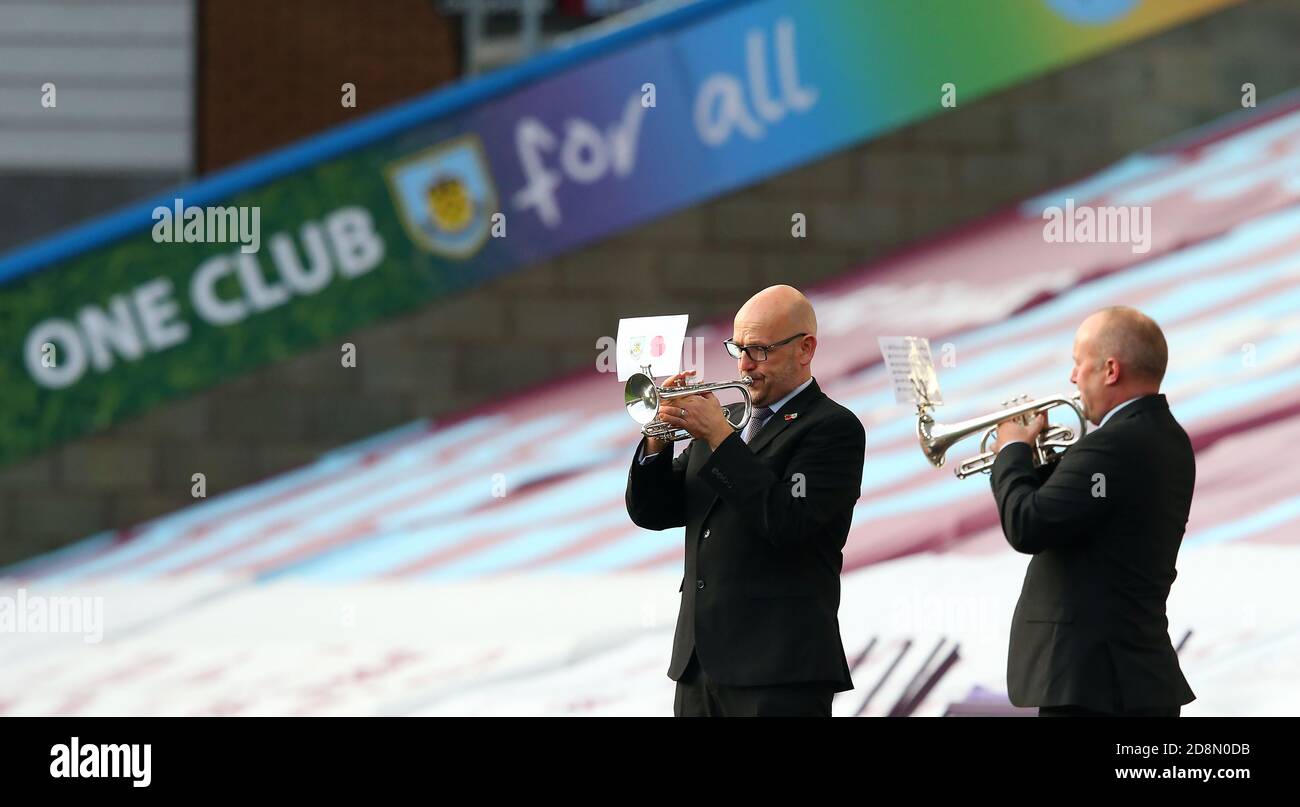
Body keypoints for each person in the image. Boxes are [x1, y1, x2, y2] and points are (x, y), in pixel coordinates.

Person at [625, 285, 865, 717]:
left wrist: (718, 438)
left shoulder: (832, 428)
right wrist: (656, 438)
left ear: (805, 349)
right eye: (738, 348)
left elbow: (787, 521)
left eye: (759, 350)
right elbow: (653, 511)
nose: (744, 365)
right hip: (699, 666)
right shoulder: (728, 422)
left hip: (780, 669)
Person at [991, 306, 1195, 717]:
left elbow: (1027, 524)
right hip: (1132, 679)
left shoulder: (1112, 445)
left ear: (1110, 370)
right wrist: (1036, 461)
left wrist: (1011, 450)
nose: (1071, 378)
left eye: (1077, 364)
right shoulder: (1166, 437)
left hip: (1095, 685)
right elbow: (1080, 509)